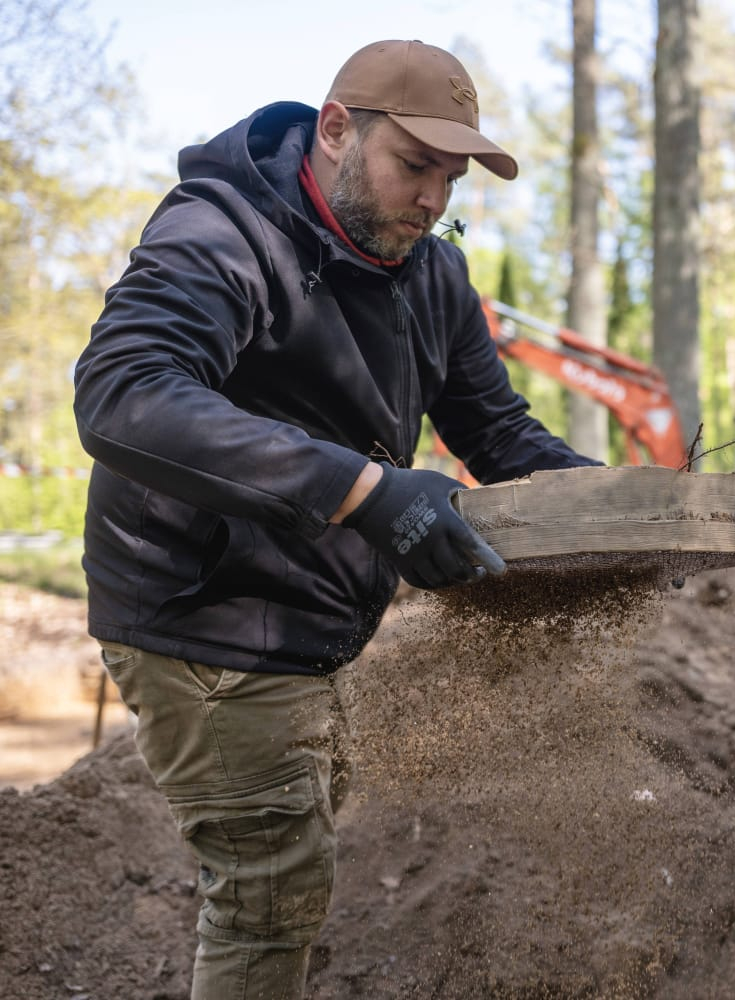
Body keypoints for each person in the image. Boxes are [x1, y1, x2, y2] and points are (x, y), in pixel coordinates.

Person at [72, 40, 597, 1000]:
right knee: (268, 898)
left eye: (452, 178)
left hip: (319, 618)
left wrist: (619, 512)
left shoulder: (434, 277)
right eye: (414, 166)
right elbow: (123, 394)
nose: (434, 199)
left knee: (289, 876)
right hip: (204, 613)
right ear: (336, 129)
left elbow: (502, 434)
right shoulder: (223, 231)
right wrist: (366, 491)